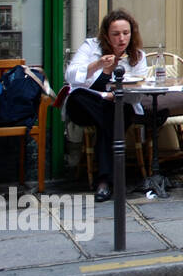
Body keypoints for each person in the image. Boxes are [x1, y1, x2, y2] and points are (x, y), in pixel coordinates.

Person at [64, 10, 151, 201]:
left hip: (120, 106)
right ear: (106, 35)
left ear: (132, 33)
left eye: (126, 33)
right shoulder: (91, 47)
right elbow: (70, 76)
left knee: (111, 118)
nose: (121, 39)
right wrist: (98, 66)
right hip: (87, 105)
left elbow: (137, 93)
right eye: (116, 34)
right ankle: (112, 179)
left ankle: (104, 182)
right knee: (78, 96)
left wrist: (116, 95)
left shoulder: (137, 56)